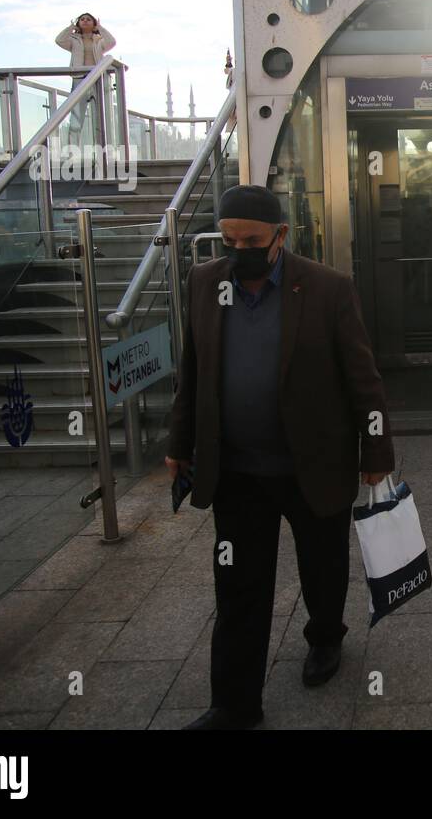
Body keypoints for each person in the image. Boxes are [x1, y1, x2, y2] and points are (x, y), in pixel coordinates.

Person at [167, 185, 394, 730]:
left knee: (323, 567)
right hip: (239, 473)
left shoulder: (326, 289)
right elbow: (192, 370)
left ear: (281, 237)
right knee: (239, 590)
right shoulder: (203, 283)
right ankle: (235, 705)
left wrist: (376, 448)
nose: (238, 249)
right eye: (229, 239)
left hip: (314, 462)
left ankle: (325, 637)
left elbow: (363, 379)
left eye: (251, 239)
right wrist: (178, 445)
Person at [54, 12, 116, 146]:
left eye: (88, 19)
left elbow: (112, 42)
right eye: (82, 19)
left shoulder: (99, 40)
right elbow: (59, 40)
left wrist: (101, 28)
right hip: (79, 79)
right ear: (78, 23)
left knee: (100, 117)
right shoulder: (73, 40)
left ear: (94, 23)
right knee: (76, 116)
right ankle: (72, 150)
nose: (85, 21)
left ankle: (102, 150)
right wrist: (70, 27)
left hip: (98, 80)